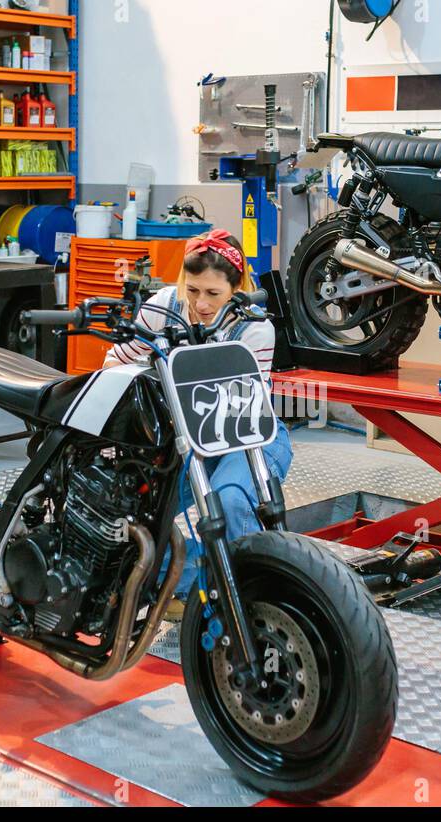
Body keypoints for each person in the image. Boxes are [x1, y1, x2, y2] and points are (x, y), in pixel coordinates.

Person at [103, 230, 292, 619]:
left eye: (213, 294)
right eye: (193, 290)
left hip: (246, 437)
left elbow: (242, 408)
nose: (200, 304)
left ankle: (246, 609)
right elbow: (114, 361)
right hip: (182, 439)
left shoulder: (255, 328)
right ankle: (196, 581)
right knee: (131, 515)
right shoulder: (162, 307)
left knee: (228, 501)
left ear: (237, 288)